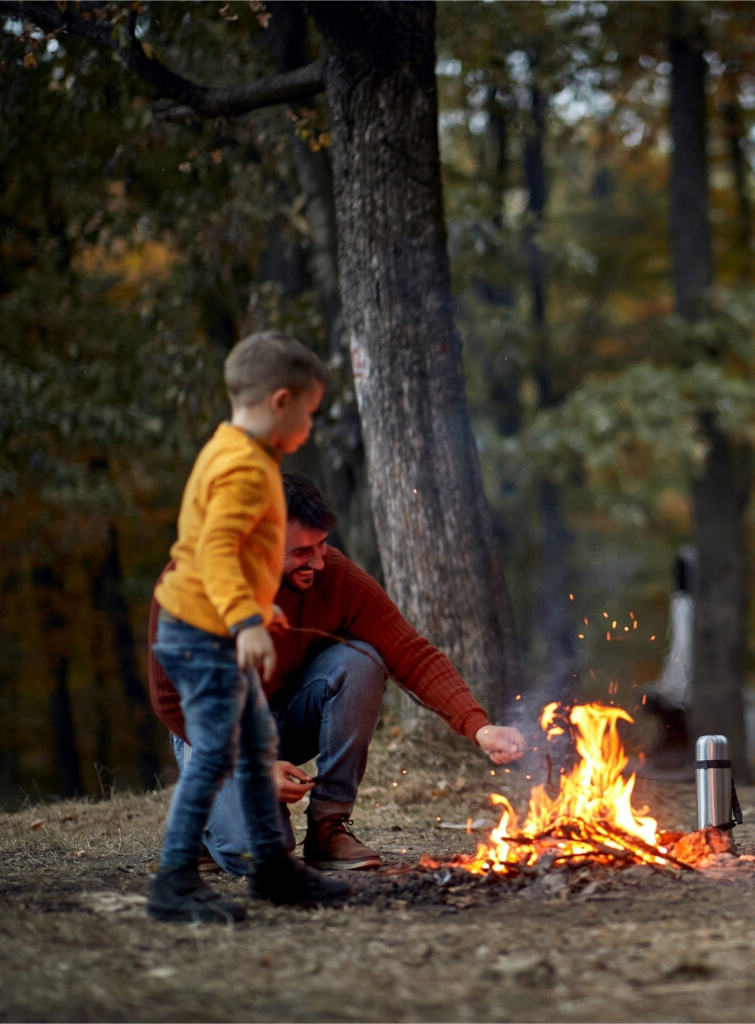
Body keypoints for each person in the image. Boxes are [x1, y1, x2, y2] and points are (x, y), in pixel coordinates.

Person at [149, 471, 528, 876]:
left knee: (361, 660)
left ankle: (328, 826)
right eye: (300, 551)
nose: (317, 561)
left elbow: (410, 653)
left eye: (322, 544)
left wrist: (479, 726)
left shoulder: (331, 572)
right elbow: (172, 699)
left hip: (287, 713)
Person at [147, 331, 342, 923]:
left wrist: (259, 610)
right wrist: (244, 622)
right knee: (214, 755)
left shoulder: (238, 453)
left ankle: (273, 869)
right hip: (200, 634)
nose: (310, 427)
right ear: (281, 401)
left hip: (213, 625)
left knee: (255, 741)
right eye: (309, 412)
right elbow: (215, 551)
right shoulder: (243, 469)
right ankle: (174, 881)